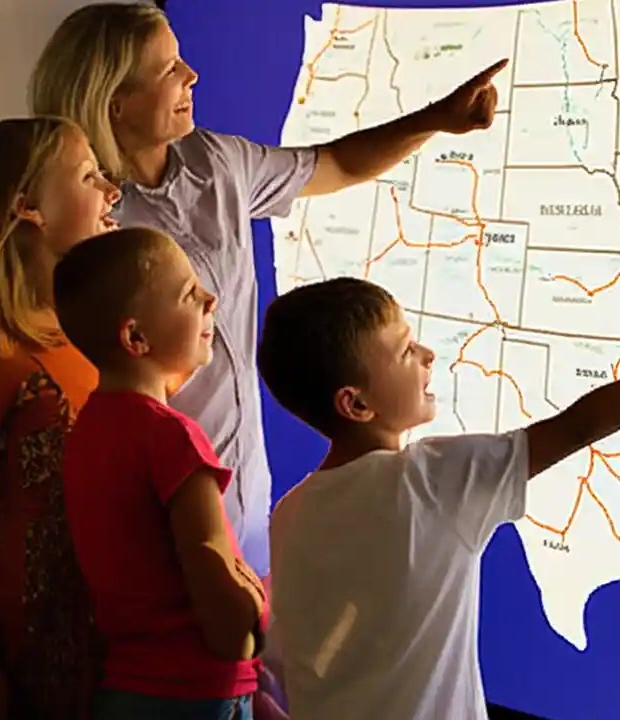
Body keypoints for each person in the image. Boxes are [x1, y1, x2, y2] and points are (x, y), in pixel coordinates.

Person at [29, 1, 508, 577]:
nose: (192, 76)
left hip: (244, 490)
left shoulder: (216, 162)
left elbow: (333, 165)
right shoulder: (89, 230)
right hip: (158, 503)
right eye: (168, 69)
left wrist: (435, 119)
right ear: (116, 103)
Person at [255, 276, 620, 719]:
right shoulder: (433, 483)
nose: (427, 355)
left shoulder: (292, 514)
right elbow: (577, 426)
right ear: (356, 403)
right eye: (404, 350)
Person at [53, 227, 269, 720]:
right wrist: (265, 601)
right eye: (190, 294)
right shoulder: (171, 437)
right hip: (199, 692)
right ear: (136, 337)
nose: (211, 299)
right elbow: (227, 621)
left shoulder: (89, 428)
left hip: (128, 685)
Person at [0, 116, 121, 720]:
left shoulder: (93, 333)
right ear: (27, 206)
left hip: (111, 639)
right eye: (89, 176)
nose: (112, 191)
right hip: (32, 645)